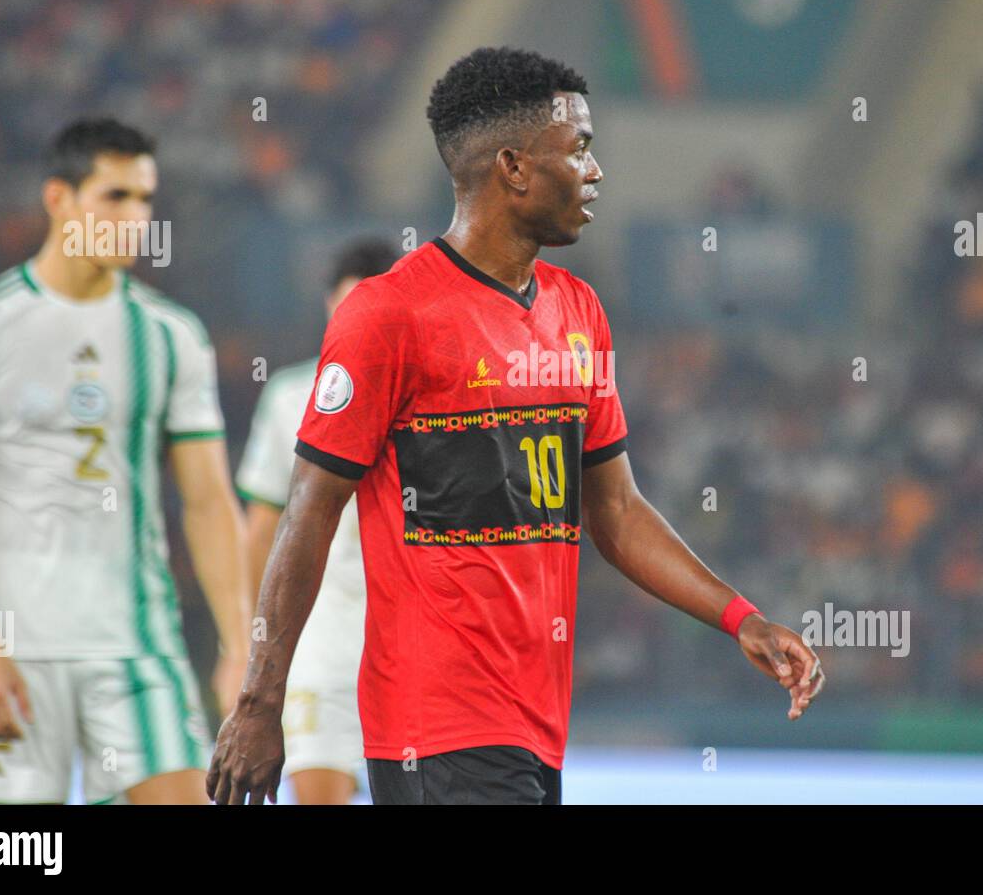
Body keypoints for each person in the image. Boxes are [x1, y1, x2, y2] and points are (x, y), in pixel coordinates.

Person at [208, 47, 824, 806]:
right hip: (436, 726)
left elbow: (618, 512)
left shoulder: (578, 312)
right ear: (514, 167)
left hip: (535, 722)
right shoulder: (390, 315)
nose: (595, 171)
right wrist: (260, 706)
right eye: (580, 149)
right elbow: (307, 512)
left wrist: (740, 617)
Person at [0, 118, 249, 804]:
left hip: (137, 647)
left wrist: (239, 642)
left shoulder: (171, 336)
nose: (136, 218)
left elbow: (210, 501)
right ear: (59, 200)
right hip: (17, 649)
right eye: (116, 197)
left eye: (145, 199)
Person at [235, 238, 396, 804]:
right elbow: (261, 529)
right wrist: (248, 641)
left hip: (404, 640)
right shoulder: (290, 395)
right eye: (349, 307)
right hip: (317, 638)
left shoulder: (429, 396)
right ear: (330, 307)